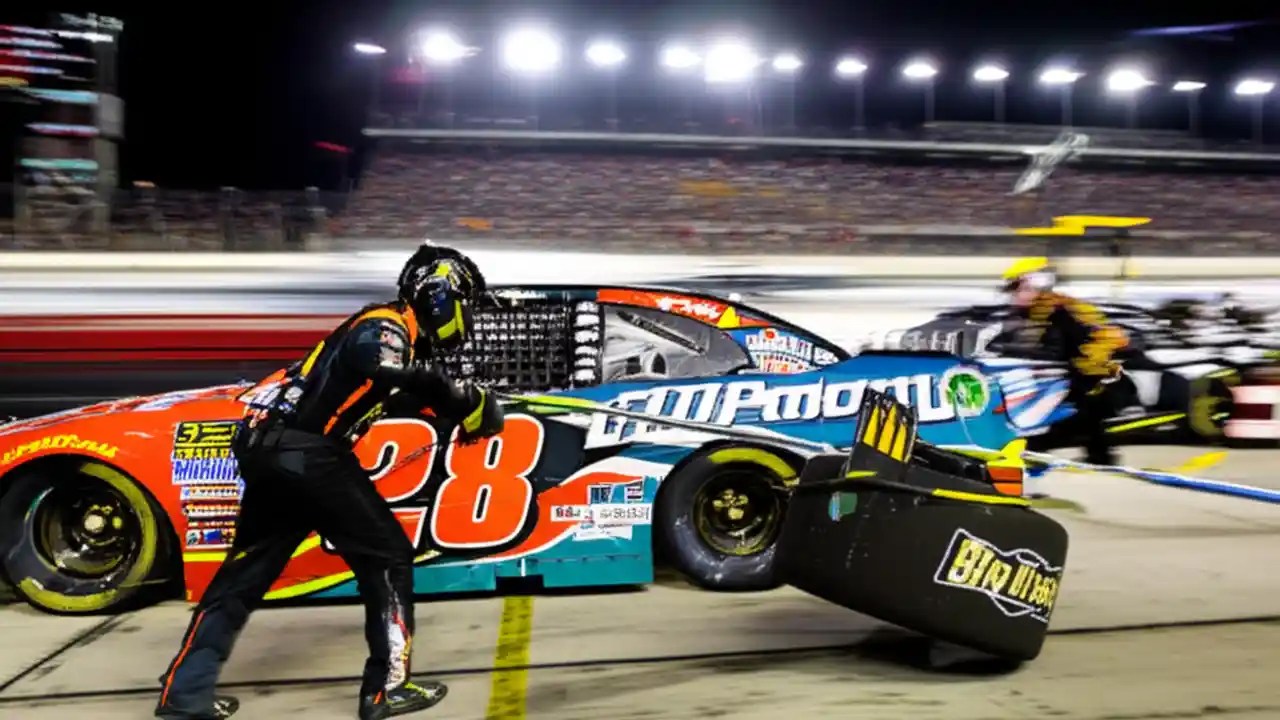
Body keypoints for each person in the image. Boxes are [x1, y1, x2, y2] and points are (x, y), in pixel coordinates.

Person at [155, 244, 504, 720]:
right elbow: (381, 365)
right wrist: (459, 397)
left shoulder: (392, 334)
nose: (465, 318)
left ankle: (184, 694)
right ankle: (386, 690)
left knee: (244, 577)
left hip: (272, 450)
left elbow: (388, 392)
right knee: (388, 555)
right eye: (465, 305)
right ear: (440, 296)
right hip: (306, 453)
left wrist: (464, 408)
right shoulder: (386, 324)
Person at [1000, 256, 1129, 466]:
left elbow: (1109, 336)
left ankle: (1036, 457)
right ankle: (1099, 459)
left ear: (1036, 283)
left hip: (1088, 374)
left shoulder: (1062, 310)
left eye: (1017, 287)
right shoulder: (1037, 312)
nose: (1013, 295)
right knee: (1083, 420)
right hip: (1070, 375)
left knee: (1079, 414)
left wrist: (1088, 366)